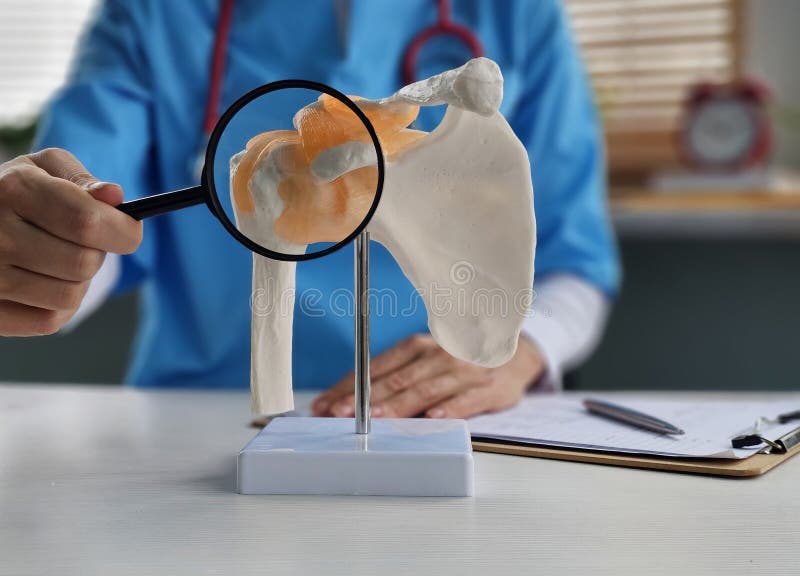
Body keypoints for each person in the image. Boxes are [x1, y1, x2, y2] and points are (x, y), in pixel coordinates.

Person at [0, 0, 619, 419]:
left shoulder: (515, 15)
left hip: (434, 416)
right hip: (193, 418)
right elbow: (95, 207)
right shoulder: (156, 14)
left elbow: (575, 262)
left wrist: (522, 347)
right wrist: (46, 242)